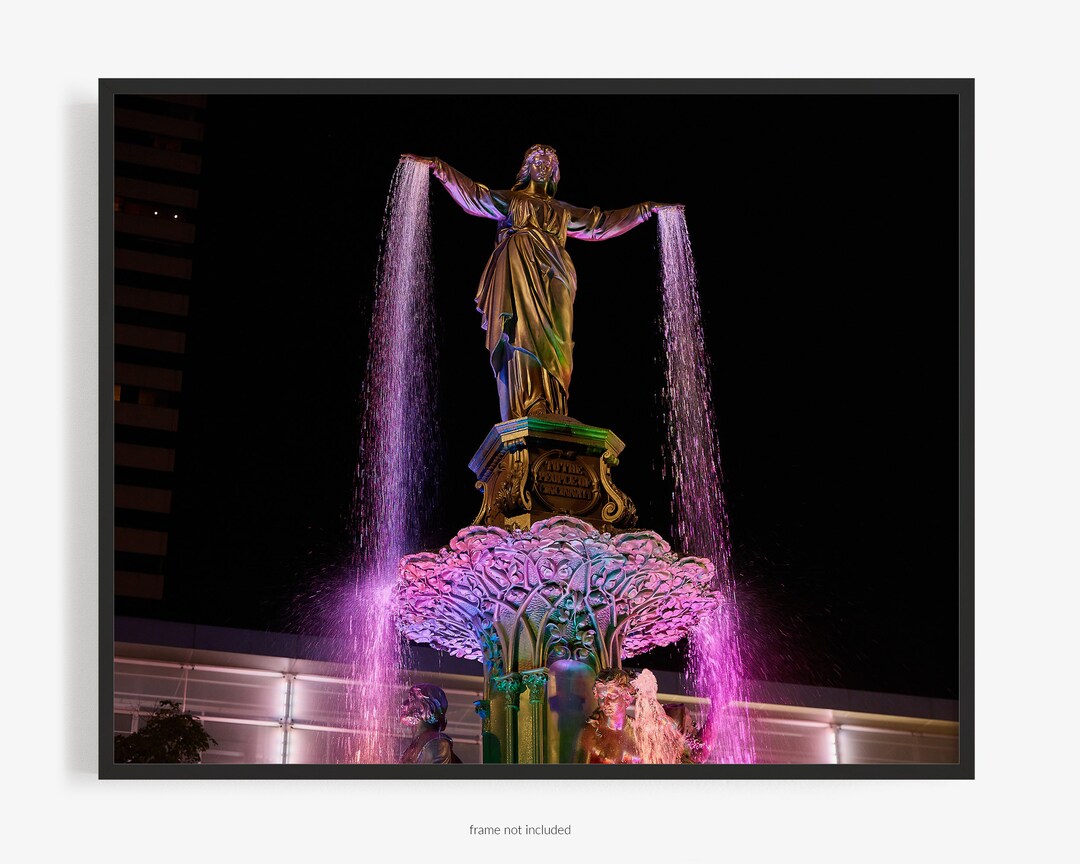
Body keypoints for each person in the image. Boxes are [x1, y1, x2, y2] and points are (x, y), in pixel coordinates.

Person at [404, 146, 674, 421]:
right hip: (519, 266)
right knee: (521, 330)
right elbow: (475, 195)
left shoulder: (562, 210)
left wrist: (646, 209)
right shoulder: (513, 200)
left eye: (550, 162)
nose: (544, 165)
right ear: (527, 167)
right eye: (538, 160)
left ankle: (555, 406)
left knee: (560, 339)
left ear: (556, 172)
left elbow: (600, 223)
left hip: (557, 272)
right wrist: (439, 167)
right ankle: (530, 404)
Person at [581, 668, 642, 764]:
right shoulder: (589, 733)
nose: (606, 703)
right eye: (602, 697)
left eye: (612, 697)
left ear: (626, 698)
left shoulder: (639, 732)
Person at [398, 683, 462, 764]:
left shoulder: (437, 743)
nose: (403, 705)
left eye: (411, 699)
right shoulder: (416, 744)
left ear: (424, 706)